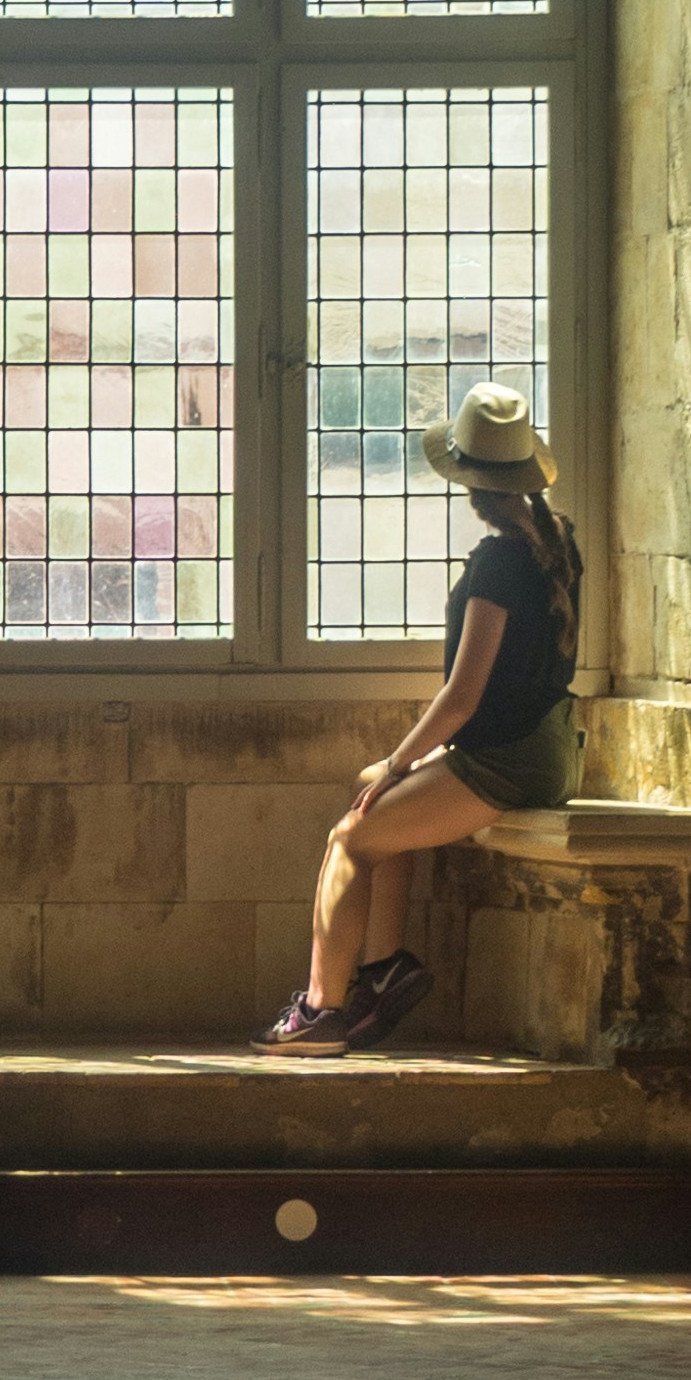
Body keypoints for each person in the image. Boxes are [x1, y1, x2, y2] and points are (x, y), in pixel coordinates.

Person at [260, 384, 585, 1057]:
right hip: (545, 745)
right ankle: (382, 972)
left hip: (503, 757)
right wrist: (391, 769)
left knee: (350, 837)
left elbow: (463, 695)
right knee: (374, 802)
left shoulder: (499, 563)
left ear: (468, 481)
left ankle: (321, 1012)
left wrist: (399, 761)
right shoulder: (556, 542)